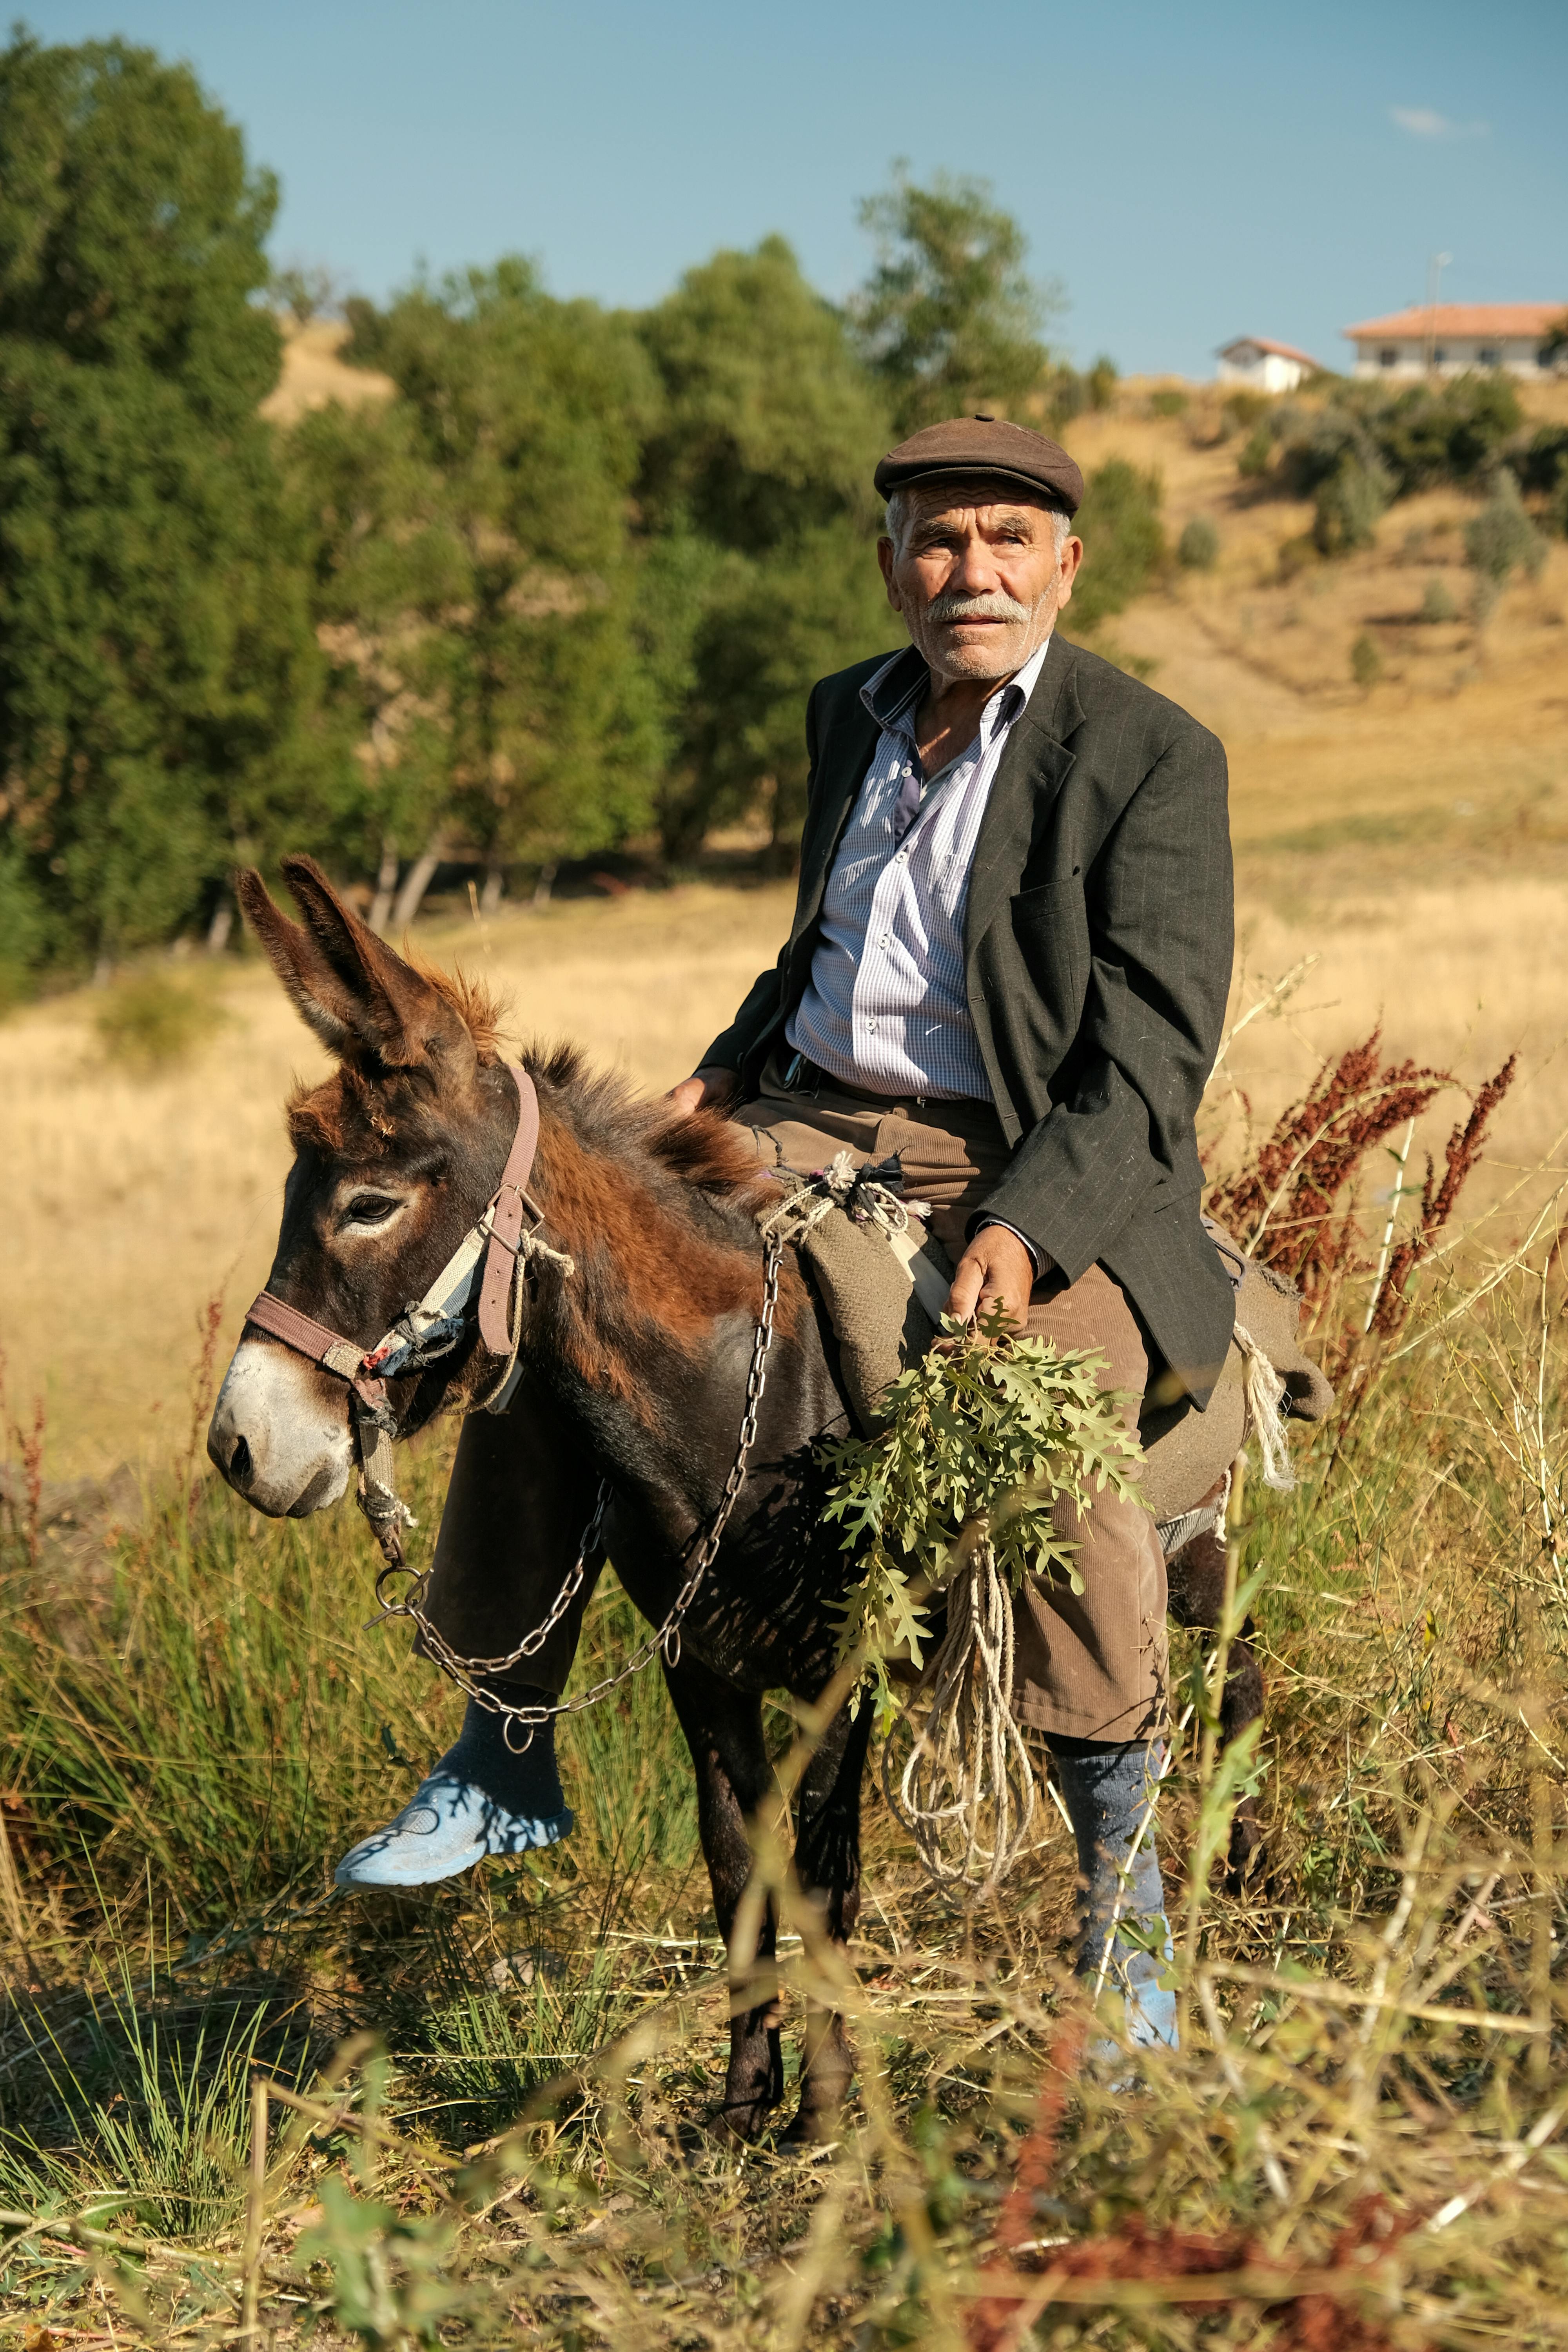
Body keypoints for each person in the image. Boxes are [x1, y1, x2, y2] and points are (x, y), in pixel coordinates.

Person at [336, 416, 1235, 2048]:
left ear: (1065, 564)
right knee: (562, 1285)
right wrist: (716, 1079)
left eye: (1004, 542)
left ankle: (1123, 1907)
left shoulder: (1149, 754)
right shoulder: (854, 714)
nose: (970, 572)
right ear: (888, 557)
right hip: (803, 1115)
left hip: (1028, 1151)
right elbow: (814, 952)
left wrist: (1026, 1232)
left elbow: (1152, 1059)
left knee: (1046, 1433)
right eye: (937, 540)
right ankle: (504, 1746)